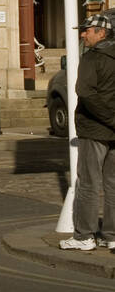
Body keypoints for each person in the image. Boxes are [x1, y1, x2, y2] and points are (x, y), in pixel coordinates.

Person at [59, 14, 115, 251]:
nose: (83, 34)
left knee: (88, 184)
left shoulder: (92, 58)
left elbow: (85, 92)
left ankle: (84, 236)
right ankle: (111, 235)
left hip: (95, 129)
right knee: (113, 184)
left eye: (87, 30)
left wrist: (110, 119)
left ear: (101, 33)